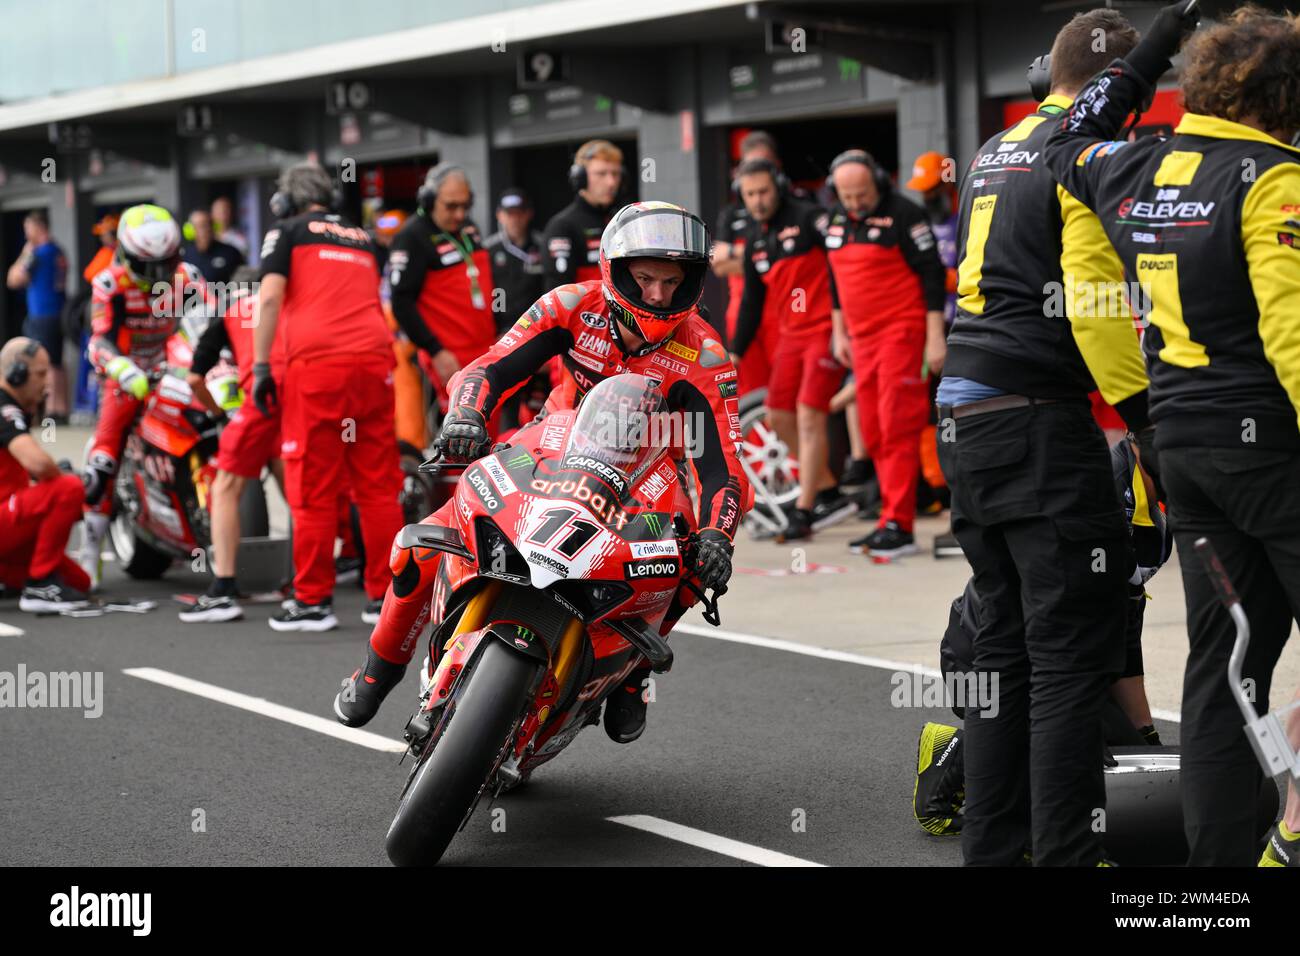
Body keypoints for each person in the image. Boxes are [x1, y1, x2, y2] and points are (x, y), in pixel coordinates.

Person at [333, 201, 748, 740]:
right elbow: (490, 366)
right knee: (422, 542)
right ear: (615, 269)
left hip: (650, 477)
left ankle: (634, 675)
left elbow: (725, 469)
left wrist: (719, 533)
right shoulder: (572, 303)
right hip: (553, 444)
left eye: (672, 282)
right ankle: (376, 671)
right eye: (644, 278)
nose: (657, 295)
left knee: (692, 560)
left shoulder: (706, 355)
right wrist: (465, 414)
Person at [1044, 0, 1300, 866]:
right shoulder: (1275, 182)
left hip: (1184, 451)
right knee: (1232, 665)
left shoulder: (1134, 167)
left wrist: (1152, 44)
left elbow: (1066, 134)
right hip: (1272, 453)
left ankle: (1215, 883)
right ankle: (1293, 830)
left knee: (1227, 669)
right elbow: (1293, 339)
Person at [935, 8, 1153, 867]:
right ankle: (1063, 855)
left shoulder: (995, 149)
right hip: (1034, 420)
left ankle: (993, 852)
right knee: (1066, 655)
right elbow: (1096, 308)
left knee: (1002, 651)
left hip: (963, 413)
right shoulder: (1079, 153)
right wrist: (1148, 423)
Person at [915, 435, 1171, 836]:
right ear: (1140, 445)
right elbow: (1046, 615)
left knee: (1122, 751)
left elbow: (1125, 633)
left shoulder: (1153, 514)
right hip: (989, 654)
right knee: (1070, 754)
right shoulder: (1096, 495)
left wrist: (1145, 735)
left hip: (1059, 653)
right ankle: (956, 760)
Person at [250, 162, 403, 631]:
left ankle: (312, 601)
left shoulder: (287, 231)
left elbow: (270, 298)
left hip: (319, 368)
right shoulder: (359, 236)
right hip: (375, 363)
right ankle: (386, 598)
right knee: (377, 486)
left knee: (313, 488)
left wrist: (259, 366)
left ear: (284, 201)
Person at [825, 149, 947, 559]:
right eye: (847, 196)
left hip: (903, 333)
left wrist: (934, 336)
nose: (856, 203)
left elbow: (932, 274)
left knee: (898, 425)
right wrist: (839, 332)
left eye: (862, 194)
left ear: (878, 181)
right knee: (873, 429)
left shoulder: (905, 214)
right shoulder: (837, 220)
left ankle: (901, 524)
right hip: (860, 341)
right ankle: (886, 518)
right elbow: (835, 279)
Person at [79, 204, 205, 588]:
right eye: (149, 266)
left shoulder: (189, 277)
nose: (159, 275)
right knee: (104, 459)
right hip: (126, 376)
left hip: (175, 368)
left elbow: (208, 324)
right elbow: (97, 341)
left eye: (166, 263)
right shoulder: (108, 283)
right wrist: (123, 369)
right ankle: (88, 556)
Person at [731, 157, 854, 542]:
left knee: (808, 415)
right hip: (790, 335)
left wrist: (842, 326)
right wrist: (735, 351)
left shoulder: (810, 217)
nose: (758, 200)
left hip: (823, 331)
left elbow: (841, 265)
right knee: (779, 414)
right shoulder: (754, 238)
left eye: (764, 191)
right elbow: (751, 300)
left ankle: (804, 510)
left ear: (779, 186)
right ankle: (830, 492)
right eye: (750, 194)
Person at [178, 267, 285, 622]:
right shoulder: (287, 304)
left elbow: (194, 378)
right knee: (301, 494)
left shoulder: (231, 313)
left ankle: (223, 588)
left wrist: (216, 414)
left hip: (259, 400)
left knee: (224, 488)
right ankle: (310, 588)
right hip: (296, 403)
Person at [387, 163, 497, 413]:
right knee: (464, 433)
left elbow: (489, 281)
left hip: (485, 350)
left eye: (465, 205)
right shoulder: (411, 236)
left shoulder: (469, 228)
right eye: (451, 206)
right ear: (428, 200)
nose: (459, 214)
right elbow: (401, 302)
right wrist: (435, 351)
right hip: (449, 356)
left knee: (490, 426)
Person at [0, 338, 90, 611]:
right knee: (69, 488)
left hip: (8, 518)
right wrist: (60, 476)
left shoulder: (13, 408)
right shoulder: (4, 408)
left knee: (79, 582)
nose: (46, 383)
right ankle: (40, 585)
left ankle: (22, 579)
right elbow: (38, 463)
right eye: (39, 374)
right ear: (17, 373)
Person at [907, 153, 964, 557]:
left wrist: (943, 276)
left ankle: (959, 499)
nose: (928, 199)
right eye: (922, 193)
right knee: (931, 412)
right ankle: (937, 490)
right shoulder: (922, 225)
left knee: (959, 411)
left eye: (933, 192)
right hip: (931, 330)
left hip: (964, 327)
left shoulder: (967, 219)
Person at [711, 130, 790, 396]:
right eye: (749, 165)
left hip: (782, 308)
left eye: (763, 165)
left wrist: (741, 255)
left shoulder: (792, 209)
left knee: (785, 385)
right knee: (749, 387)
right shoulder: (731, 213)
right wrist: (760, 257)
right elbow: (719, 263)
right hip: (741, 309)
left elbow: (788, 260)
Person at [6, 211, 69, 420]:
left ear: (39, 228)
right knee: (57, 362)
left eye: (28, 229)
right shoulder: (58, 250)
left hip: (42, 313)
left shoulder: (38, 253)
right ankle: (61, 409)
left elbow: (13, 279)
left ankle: (51, 411)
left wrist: (25, 252)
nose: (26, 235)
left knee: (47, 363)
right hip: (59, 312)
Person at [542, 139, 624, 287]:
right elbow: (559, 294)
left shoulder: (623, 220)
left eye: (615, 174)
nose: (611, 182)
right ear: (580, 178)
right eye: (601, 173)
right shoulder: (562, 226)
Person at [484, 188, 545, 334]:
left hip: (537, 327)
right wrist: (496, 330)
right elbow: (488, 292)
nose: (515, 219)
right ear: (499, 215)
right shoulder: (488, 249)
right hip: (502, 331)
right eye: (509, 214)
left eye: (520, 213)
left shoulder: (543, 245)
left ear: (529, 214)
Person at [181, 209, 244, 285]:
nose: (207, 229)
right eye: (202, 226)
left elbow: (244, 282)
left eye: (210, 224)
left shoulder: (231, 253)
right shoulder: (184, 255)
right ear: (190, 230)